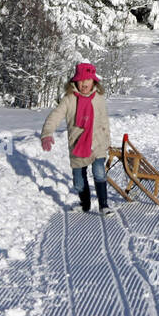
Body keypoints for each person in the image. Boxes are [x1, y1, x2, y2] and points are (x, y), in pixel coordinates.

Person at [41, 62, 113, 215]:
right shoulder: (69, 99)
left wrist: (107, 140)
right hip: (77, 145)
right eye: (80, 80)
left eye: (87, 80)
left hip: (97, 143)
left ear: (93, 81)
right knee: (79, 181)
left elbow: (104, 119)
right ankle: (85, 204)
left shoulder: (99, 98)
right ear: (75, 82)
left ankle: (103, 205)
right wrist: (47, 133)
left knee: (99, 171)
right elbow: (55, 116)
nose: (84, 83)